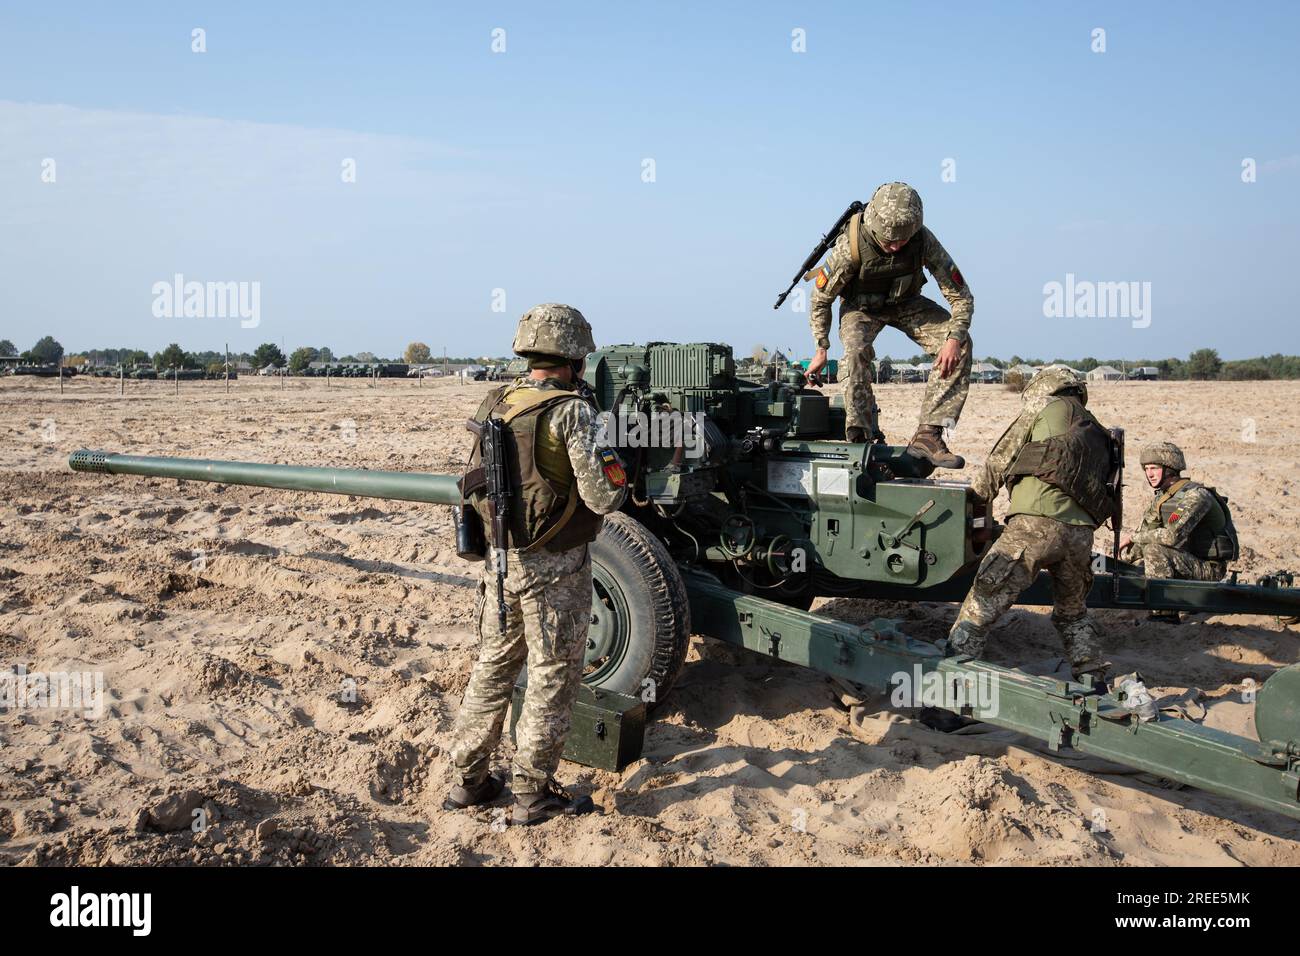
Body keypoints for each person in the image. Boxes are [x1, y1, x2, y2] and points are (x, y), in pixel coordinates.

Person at [447, 304, 628, 825]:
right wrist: (619, 467)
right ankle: (531, 792)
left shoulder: (498, 400)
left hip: (501, 561)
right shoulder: (572, 412)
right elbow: (603, 497)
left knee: (493, 667)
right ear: (575, 356)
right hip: (557, 567)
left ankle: (469, 781)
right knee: (552, 675)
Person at [947, 366, 1117, 682]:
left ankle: (950, 683)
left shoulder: (1043, 406)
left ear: (1042, 387)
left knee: (982, 604)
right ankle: (1092, 679)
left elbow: (1001, 458)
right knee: (1073, 615)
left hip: (1034, 526)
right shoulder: (1094, 426)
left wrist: (976, 499)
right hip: (1080, 536)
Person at [805, 182, 974, 468]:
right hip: (861, 309)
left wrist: (953, 339)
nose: (896, 246)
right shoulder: (850, 248)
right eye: (889, 241)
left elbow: (961, 295)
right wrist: (821, 348)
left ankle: (929, 435)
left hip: (906, 303)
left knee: (962, 343)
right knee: (855, 352)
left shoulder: (923, 240)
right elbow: (821, 299)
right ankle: (860, 435)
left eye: (902, 241)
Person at [1120, 442, 1237, 621]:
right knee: (1137, 559)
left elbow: (1171, 537)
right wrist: (1124, 556)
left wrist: (1133, 537)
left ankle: (1164, 614)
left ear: (1170, 469)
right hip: (1184, 560)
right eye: (1146, 469)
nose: (1149, 474)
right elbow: (1148, 532)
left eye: (1154, 468)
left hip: (1208, 569)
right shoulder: (1163, 498)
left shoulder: (1196, 496)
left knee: (1154, 550)